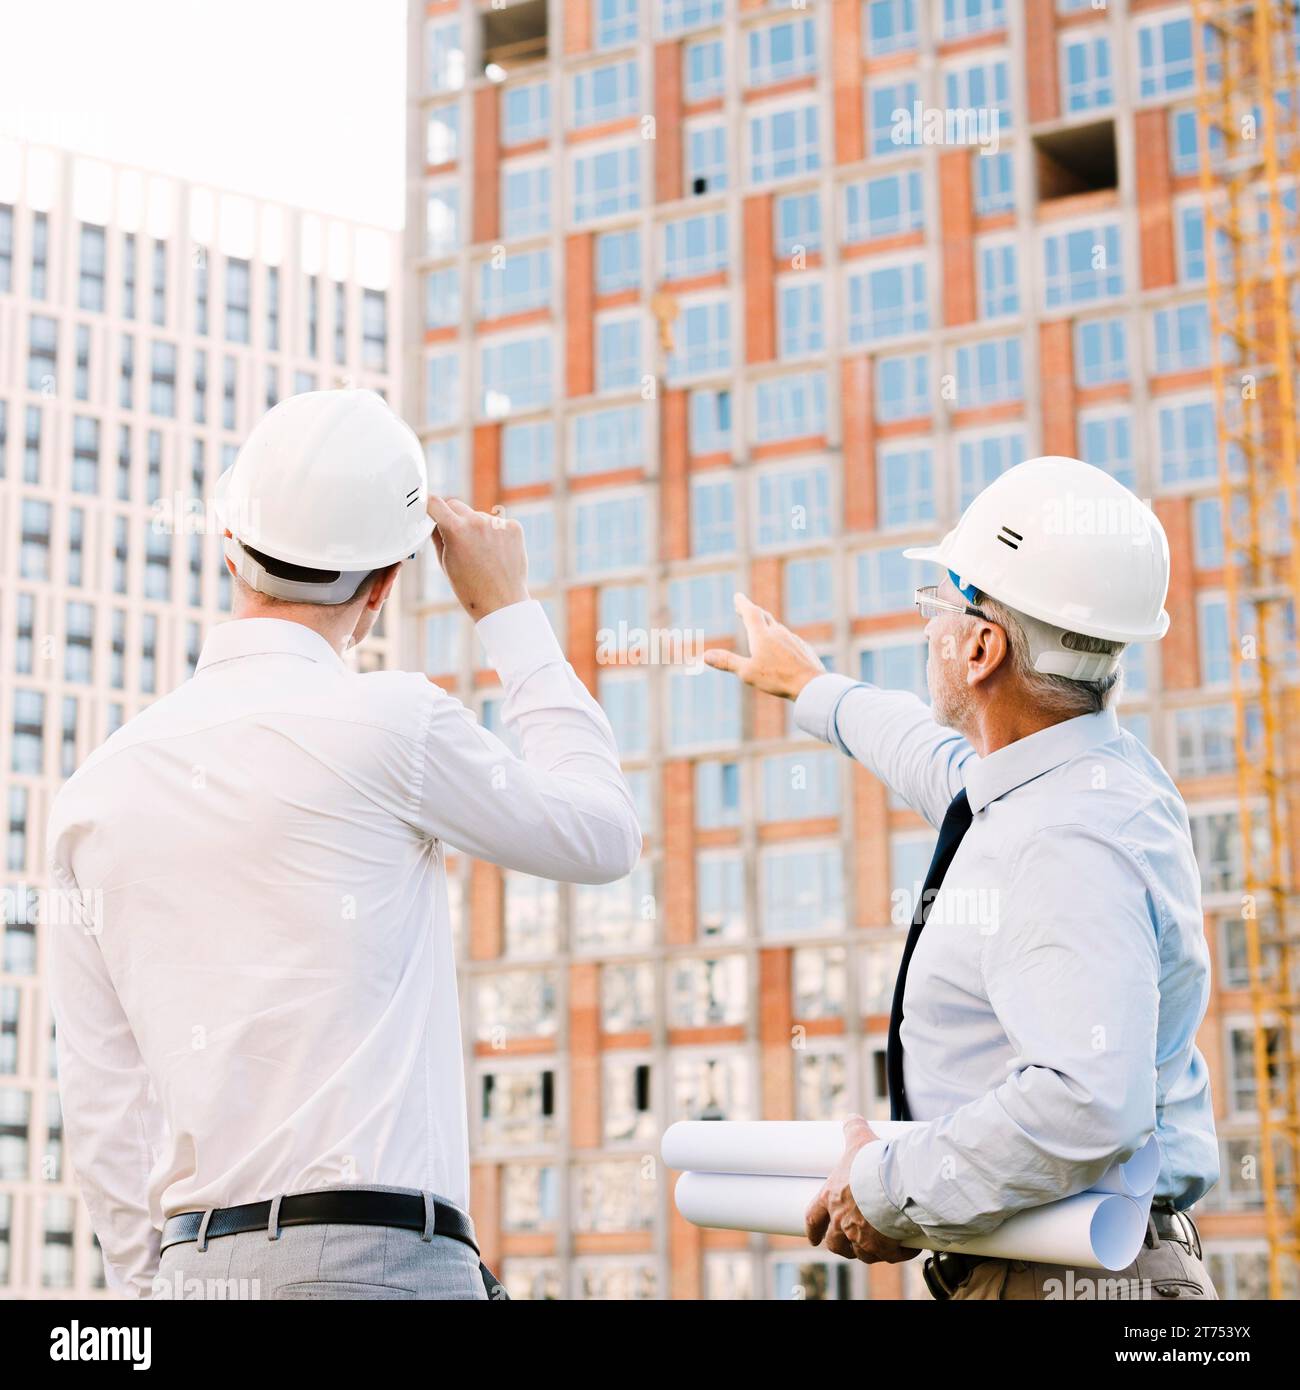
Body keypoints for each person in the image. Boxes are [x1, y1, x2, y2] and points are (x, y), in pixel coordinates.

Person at [46, 389, 641, 1300]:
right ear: (385, 585)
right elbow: (603, 835)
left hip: (188, 1272)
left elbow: (101, 1099)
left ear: (229, 546)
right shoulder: (392, 725)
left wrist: (154, 1286)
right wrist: (508, 611)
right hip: (379, 1260)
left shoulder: (94, 792)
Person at [704, 455, 1219, 1301]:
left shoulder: (1066, 838)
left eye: (939, 605)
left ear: (982, 646)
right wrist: (812, 688)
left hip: (1077, 1274)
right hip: (1060, 1268)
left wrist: (885, 1189)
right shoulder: (1066, 783)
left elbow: (1085, 1101)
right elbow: (934, 758)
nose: (929, 625)